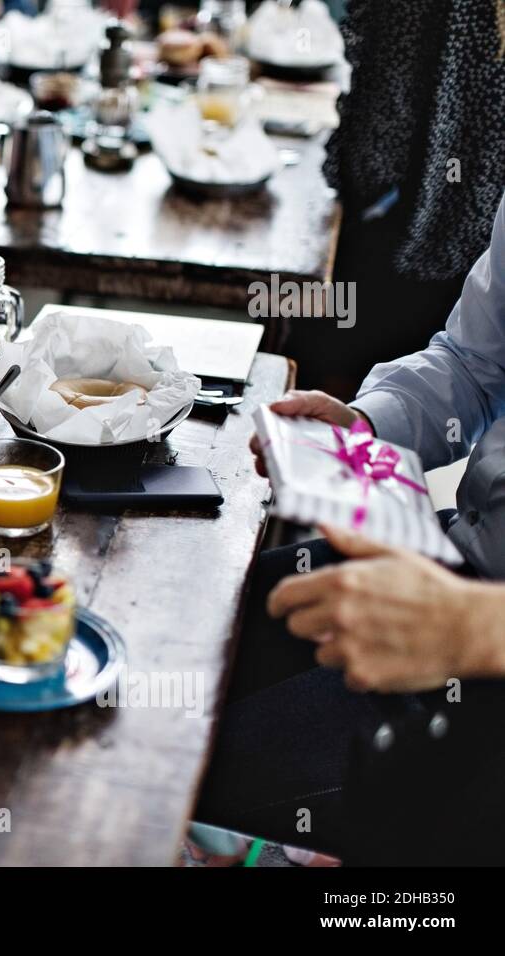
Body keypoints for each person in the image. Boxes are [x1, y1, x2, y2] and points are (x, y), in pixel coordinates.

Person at [195, 189, 505, 861]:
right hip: (456, 559)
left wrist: (479, 625)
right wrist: (366, 426)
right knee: (171, 641)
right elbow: (476, 365)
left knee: (181, 755)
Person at [292, 0, 505, 395]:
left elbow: (388, 84)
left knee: (340, 365)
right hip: (472, 211)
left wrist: (358, 189)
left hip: (406, 213)